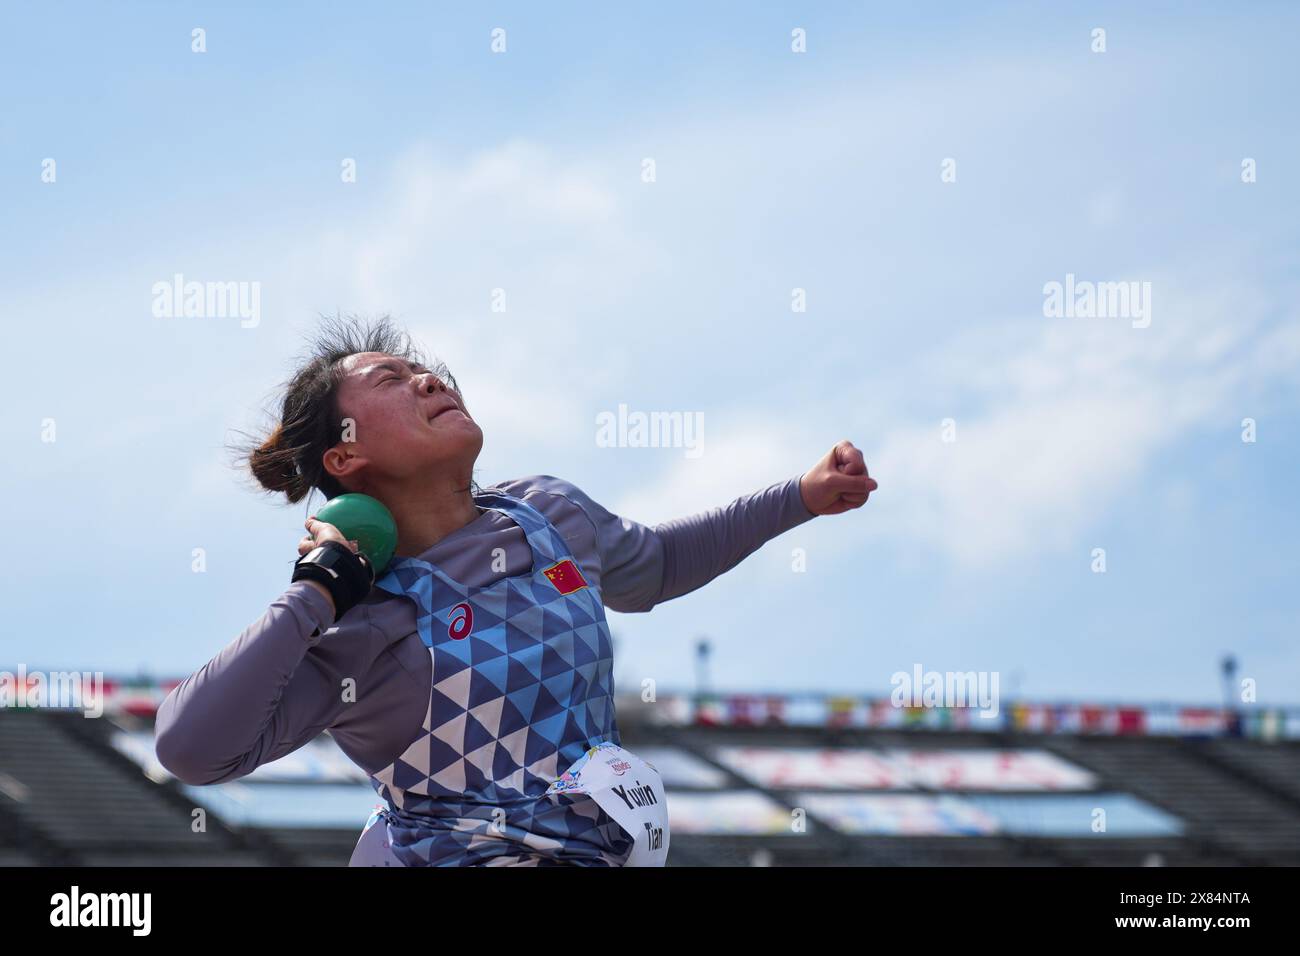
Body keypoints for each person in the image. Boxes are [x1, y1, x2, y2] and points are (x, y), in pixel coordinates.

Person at [153, 315, 877, 866]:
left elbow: (655, 566)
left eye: (423, 369)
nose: (431, 380)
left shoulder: (551, 514)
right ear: (346, 455)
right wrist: (314, 596)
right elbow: (191, 749)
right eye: (390, 381)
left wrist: (801, 497)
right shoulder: (369, 623)